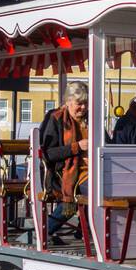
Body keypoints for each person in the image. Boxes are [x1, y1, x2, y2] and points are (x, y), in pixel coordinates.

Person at [39, 83, 90, 241]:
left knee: (101, 186)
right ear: (67, 101)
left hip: (92, 170)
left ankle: (44, 231)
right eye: (79, 104)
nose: (83, 108)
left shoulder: (92, 119)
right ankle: (88, 231)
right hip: (62, 173)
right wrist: (77, 147)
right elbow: (47, 153)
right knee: (92, 191)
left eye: (86, 104)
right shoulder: (55, 119)